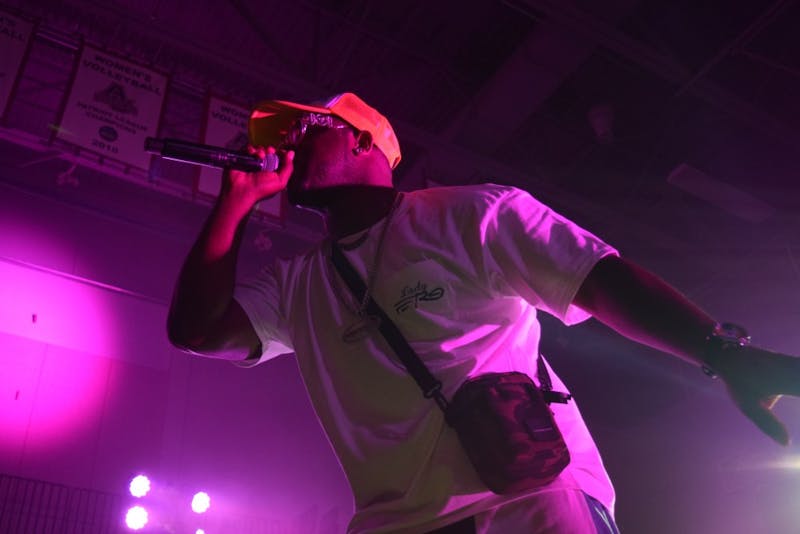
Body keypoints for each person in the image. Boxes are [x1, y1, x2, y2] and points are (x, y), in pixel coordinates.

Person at [167, 93, 799, 533]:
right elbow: (197, 331)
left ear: (361, 139)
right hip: (396, 525)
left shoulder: (469, 214)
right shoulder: (296, 283)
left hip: (527, 506)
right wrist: (235, 204)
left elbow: (602, 282)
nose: (288, 144)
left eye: (308, 129)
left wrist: (722, 352)